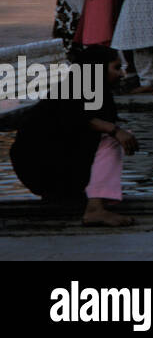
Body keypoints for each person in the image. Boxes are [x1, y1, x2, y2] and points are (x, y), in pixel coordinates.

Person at [8, 45, 140, 227]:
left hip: (45, 169)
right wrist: (115, 131)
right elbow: (73, 118)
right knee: (111, 140)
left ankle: (84, 197)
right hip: (40, 168)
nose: (121, 74)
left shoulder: (88, 89)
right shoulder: (74, 89)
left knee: (109, 136)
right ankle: (95, 209)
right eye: (116, 68)